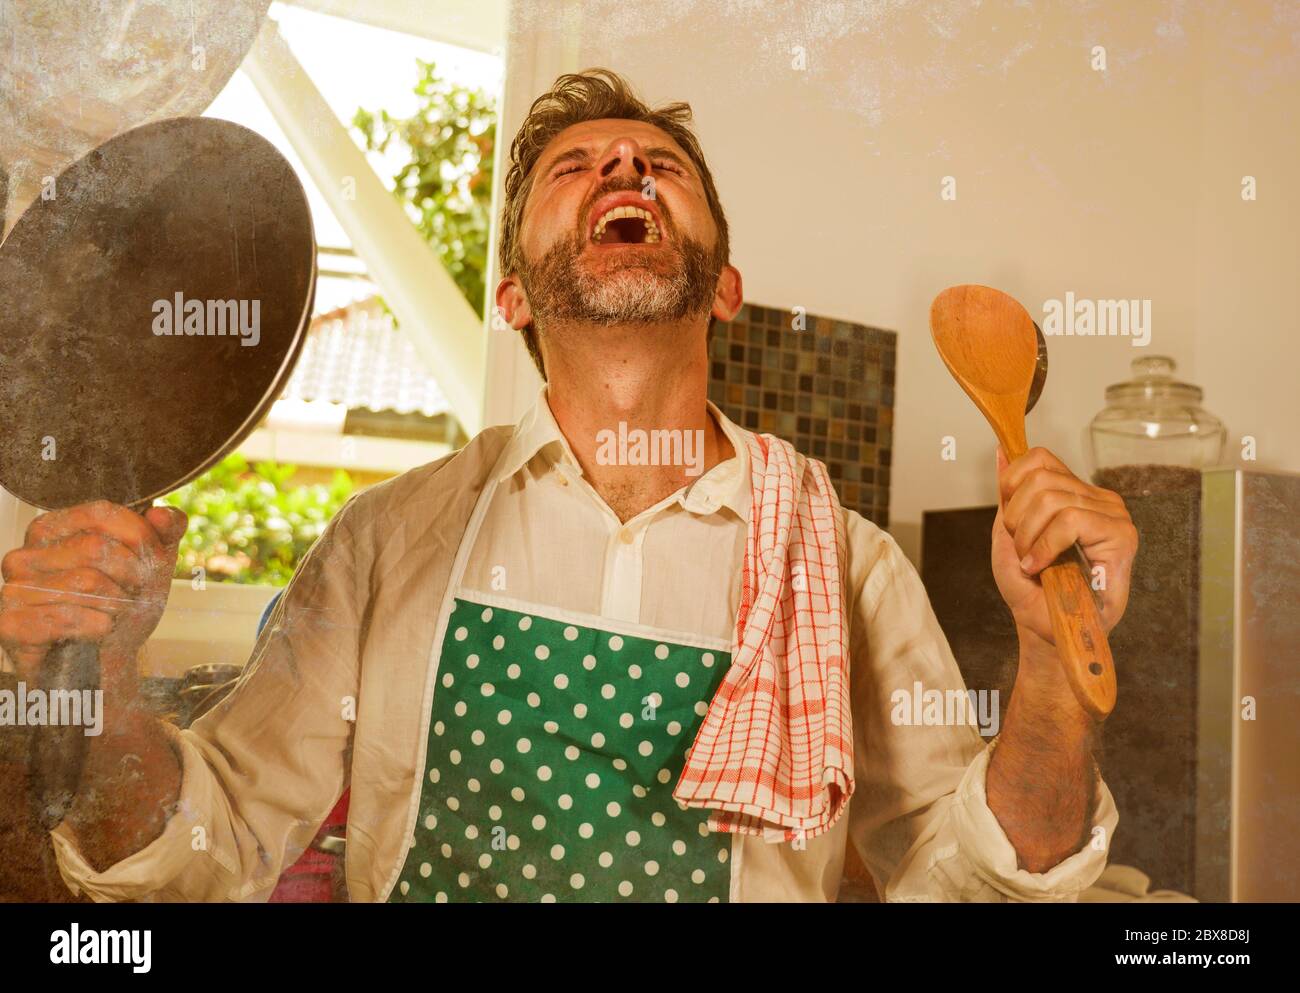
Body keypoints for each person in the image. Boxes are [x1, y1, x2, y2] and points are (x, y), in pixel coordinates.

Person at [0, 69, 1137, 903]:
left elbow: (980, 884)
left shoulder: (844, 564)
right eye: (574, 168)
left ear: (725, 286)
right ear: (512, 296)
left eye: (659, 166)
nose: (624, 171)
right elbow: (197, 858)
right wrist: (104, 681)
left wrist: (1051, 665)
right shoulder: (387, 539)